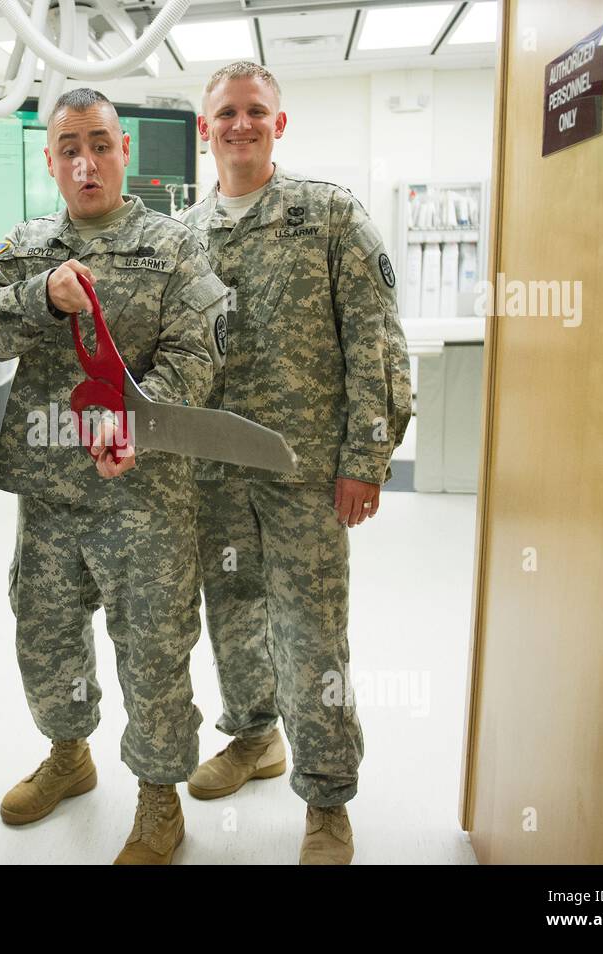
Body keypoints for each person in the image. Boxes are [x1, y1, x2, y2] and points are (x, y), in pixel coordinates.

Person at [0, 88, 227, 865]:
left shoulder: (174, 246)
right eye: (69, 148)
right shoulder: (28, 244)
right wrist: (39, 295)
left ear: (126, 153)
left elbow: (199, 354)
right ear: (49, 161)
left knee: (151, 646)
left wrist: (140, 422)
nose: (87, 162)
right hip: (49, 495)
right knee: (45, 637)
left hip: (141, 493)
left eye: (101, 145)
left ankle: (157, 799)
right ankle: (69, 757)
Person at [179, 61, 411, 864]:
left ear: (278, 125)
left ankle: (327, 795)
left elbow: (377, 342)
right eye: (224, 114)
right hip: (214, 473)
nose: (238, 125)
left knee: (311, 634)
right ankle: (253, 739)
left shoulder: (328, 217)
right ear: (205, 129)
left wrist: (366, 458)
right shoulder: (184, 234)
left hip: (307, 473)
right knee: (232, 614)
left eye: (254, 112)